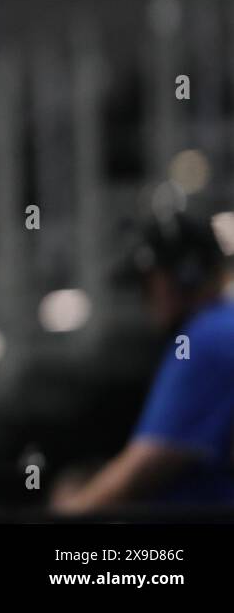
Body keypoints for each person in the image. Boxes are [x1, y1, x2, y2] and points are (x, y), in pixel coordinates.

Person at [52, 211, 234, 514]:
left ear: (184, 275)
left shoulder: (206, 339)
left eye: (147, 282)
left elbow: (141, 471)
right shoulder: (222, 328)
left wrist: (70, 510)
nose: (143, 297)